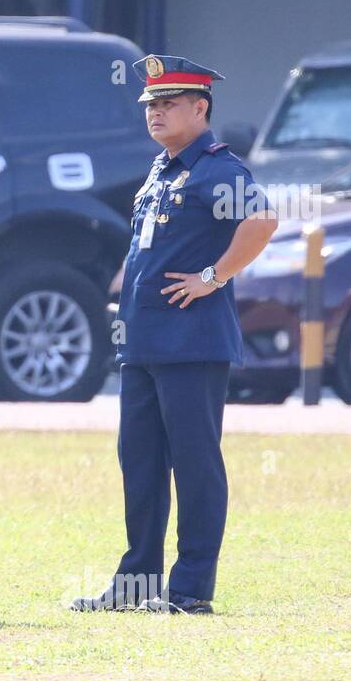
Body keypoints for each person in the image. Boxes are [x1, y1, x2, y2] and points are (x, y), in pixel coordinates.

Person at [71, 55, 278, 616]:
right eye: (151, 105)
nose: (156, 113)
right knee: (139, 462)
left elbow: (261, 221)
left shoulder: (217, 167)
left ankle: (190, 589)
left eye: (167, 104)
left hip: (192, 343)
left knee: (193, 462)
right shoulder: (162, 169)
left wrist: (214, 277)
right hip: (144, 343)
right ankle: (137, 582)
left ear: (199, 108)